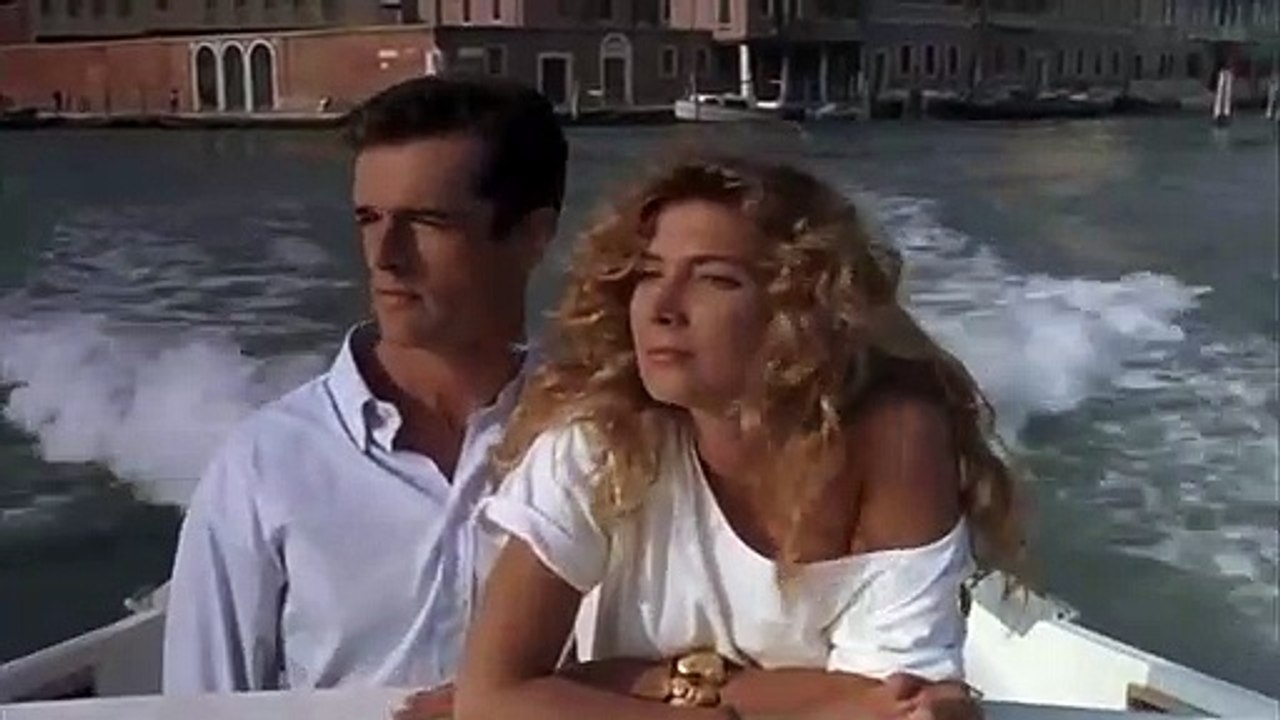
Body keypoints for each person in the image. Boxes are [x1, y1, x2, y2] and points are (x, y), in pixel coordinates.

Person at [400, 157, 1026, 720]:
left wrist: (612, 683)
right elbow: (493, 697)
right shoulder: (601, 437)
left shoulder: (895, 442)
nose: (663, 307)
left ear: (802, 307)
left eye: (716, 279)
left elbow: (897, 704)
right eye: (649, 274)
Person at [162, 76, 568, 694]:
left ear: (531, 237)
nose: (385, 256)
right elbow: (201, 705)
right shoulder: (264, 465)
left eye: (426, 222)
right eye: (369, 219)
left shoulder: (595, 441)